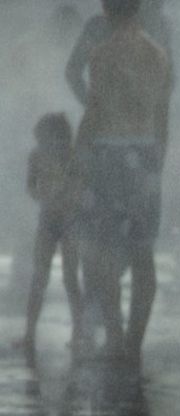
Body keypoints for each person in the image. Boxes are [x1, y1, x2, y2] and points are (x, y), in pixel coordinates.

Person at [74, 0, 172, 370]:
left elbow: (95, 111)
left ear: (106, 8)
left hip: (109, 155)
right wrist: (156, 164)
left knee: (106, 252)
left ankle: (114, 338)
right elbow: (163, 116)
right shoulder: (158, 54)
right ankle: (134, 343)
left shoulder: (103, 54)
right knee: (142, 253)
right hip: (145, 151)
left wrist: (77, 159)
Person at [19, 113, 83, 367]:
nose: (44, 143)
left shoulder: (74, 156)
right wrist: (42, 195)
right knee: (39, 278)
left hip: (70, 221)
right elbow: (30, 185)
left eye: (46, 138)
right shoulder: (36, 156)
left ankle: (79, 332)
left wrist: (65, 196)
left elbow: (81, 187)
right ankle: (29, 333)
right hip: (48, 219)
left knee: (70, 277)